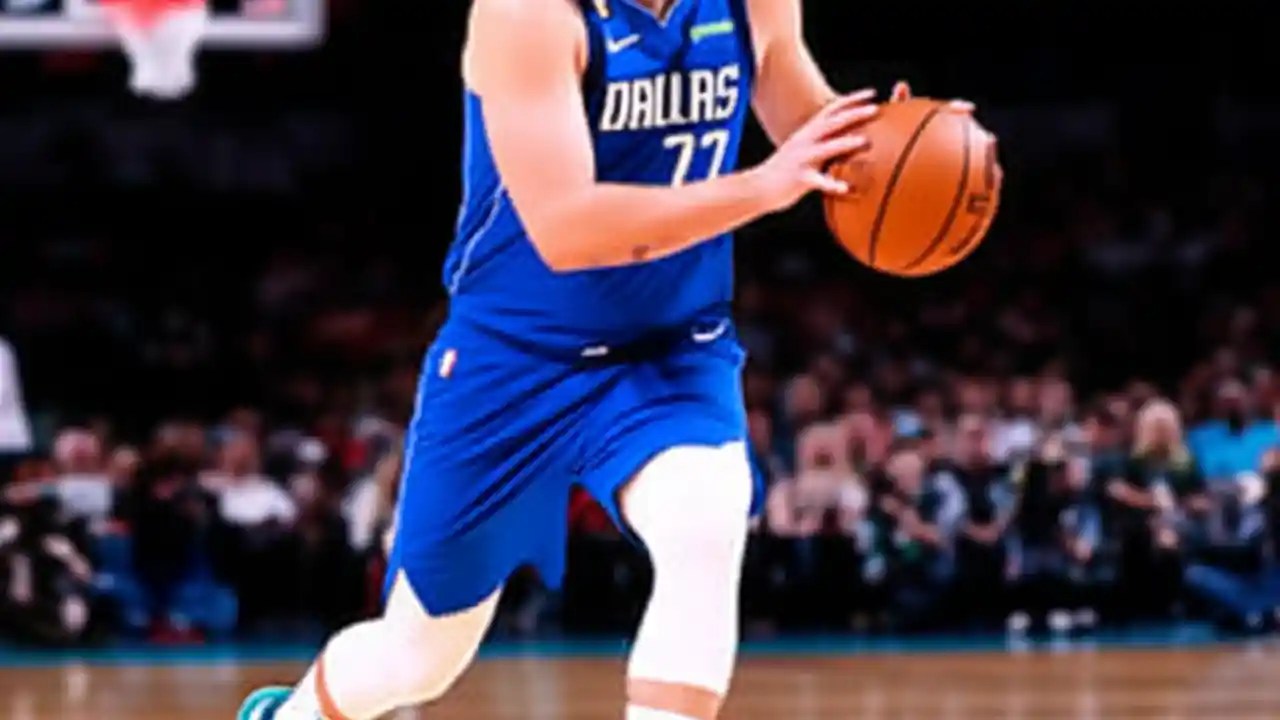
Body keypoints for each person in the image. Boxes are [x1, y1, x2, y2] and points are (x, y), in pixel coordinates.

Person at [240, 0, 981, 718]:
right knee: (420, 656)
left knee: (707, 519)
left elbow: (792, 91)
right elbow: (570, 228)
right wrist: (762, 187)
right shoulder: (526, 14)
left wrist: (879, 148)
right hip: (515, 360)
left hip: (670, 347)